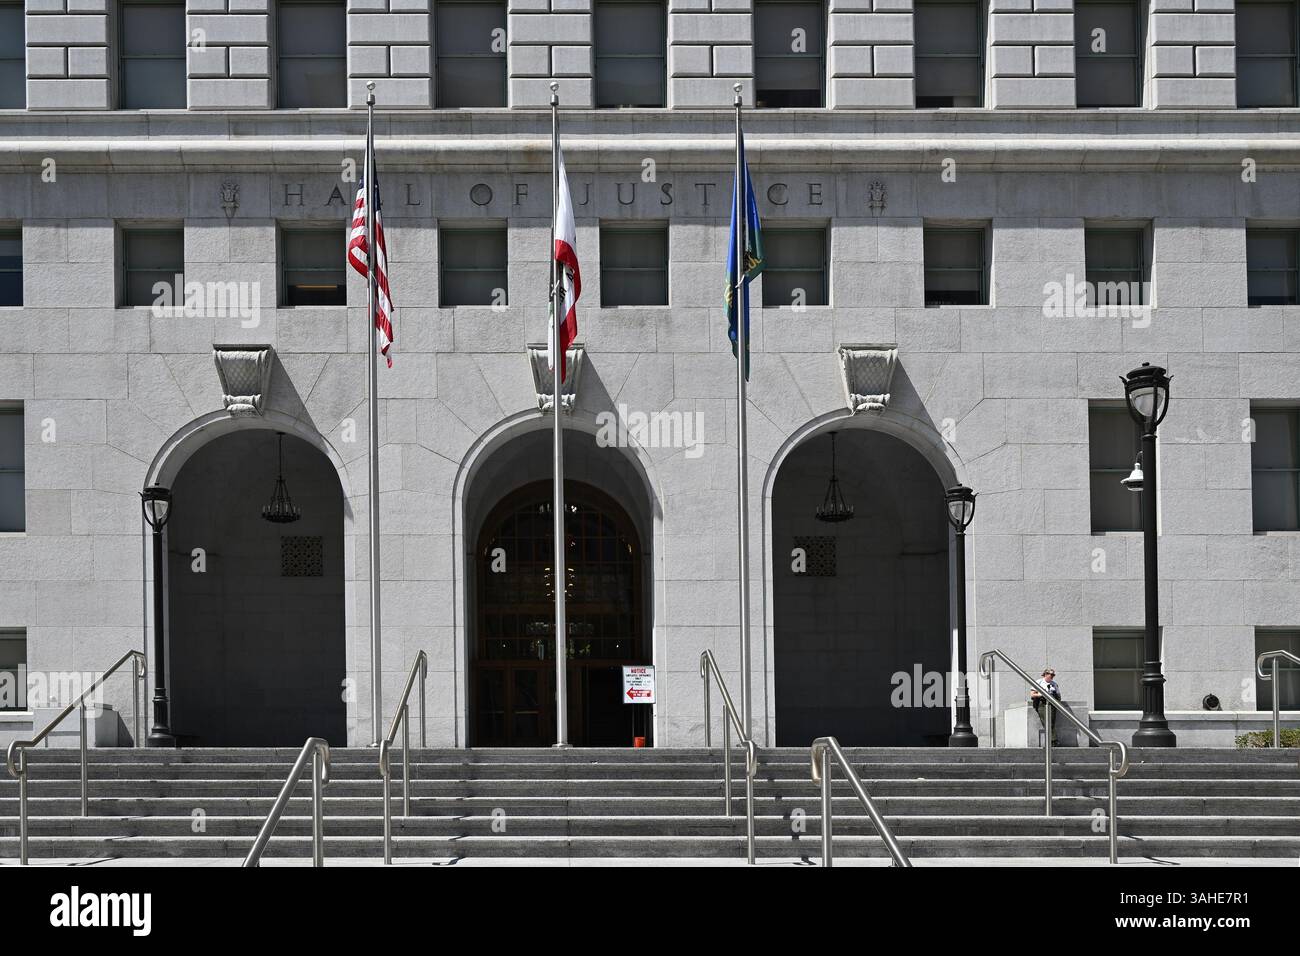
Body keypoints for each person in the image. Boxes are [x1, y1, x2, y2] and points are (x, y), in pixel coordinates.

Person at [1029, 667, 1061, 746]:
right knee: (1046, 721)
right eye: (1051, 674)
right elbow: (1032, 695)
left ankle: (1052, 741)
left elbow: (1059, 696)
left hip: (1052, 703)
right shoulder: (1039, 682)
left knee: (1052, 722)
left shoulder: (1054, 684)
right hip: (1041, 703)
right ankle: (1054, 740)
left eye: (1053, 675)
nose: (1052, 676)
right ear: (1045, 674)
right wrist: (1041, 694)